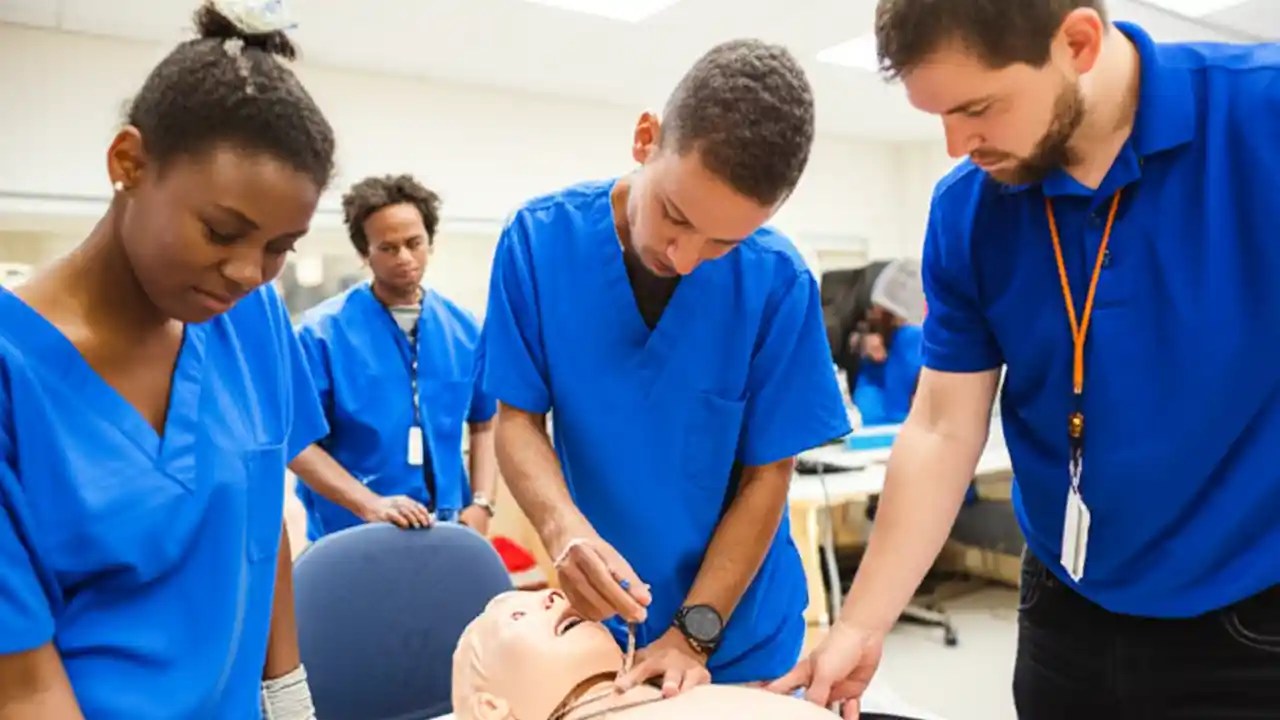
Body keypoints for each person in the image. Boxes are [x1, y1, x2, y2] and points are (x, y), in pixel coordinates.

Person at [773, 2, 1280, 718]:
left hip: (1250, 618)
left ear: (1076, 42)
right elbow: (943, 428)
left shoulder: (1262, 119)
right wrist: (858, 623)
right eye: (938, 114)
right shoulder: (969, 210)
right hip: (1065, 611)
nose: (955, 144)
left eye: (977, 107)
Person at [481, 38, 852, 692]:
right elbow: (516, 420)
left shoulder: (776, 281)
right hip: (602, 632)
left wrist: (693, 634)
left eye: (723, 241)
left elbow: (768, 478)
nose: (685, 257)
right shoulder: (539, 243)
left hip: (738, 632)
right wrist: (562, 528)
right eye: (674, 216)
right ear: (646, 138)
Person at [0, 2, 335, 717]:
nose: (249, 271)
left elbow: (259, 519)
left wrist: (289, 695)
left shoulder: (249, 318)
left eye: (280, 247)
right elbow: (21, 684)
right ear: (129, 163)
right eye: (222, 231)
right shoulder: (12, 375)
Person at [290, 174, 498, 539]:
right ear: (363, 253)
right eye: (388, 247)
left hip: (448, 531)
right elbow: (296, 442)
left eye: (413, 243)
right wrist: (367, 503)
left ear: (429, 243)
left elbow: (485, 423)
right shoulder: (322, 334)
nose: (404, 258)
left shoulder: (465, 330)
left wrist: (481, 504)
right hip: (351, 533)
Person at [450, 589, 928, 720]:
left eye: (538, 595)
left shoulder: (677, 691)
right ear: (494, 712)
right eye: (519, 616)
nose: (551, 597)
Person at [849, 260, 925, 427]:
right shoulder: (884, 337)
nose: (872, 312)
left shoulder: (908, 337)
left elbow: (897, 409)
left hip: (884, 432)